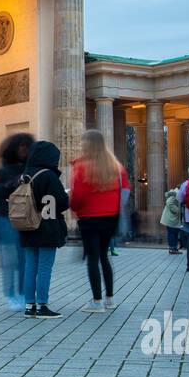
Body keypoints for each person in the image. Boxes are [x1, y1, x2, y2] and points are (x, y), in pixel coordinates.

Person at [70, 129, 123, 312]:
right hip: (111, 217)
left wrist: (74, 208)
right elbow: (125, 191)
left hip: (89, 218)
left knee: (92, 259)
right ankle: (110, 298)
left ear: (87, 144)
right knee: (104, 256)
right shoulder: (115, 166)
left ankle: (97, 301)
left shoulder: (82, 166)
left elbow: (78, 196)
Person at [17, 141, 69, 318]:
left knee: (30, 266)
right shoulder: (48, 176)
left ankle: (29, 306)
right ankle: (42, 306)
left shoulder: (24, 175)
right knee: (45, 267)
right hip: (46, 226)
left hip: (26, 226)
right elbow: (60, 203)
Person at [0, 133, 33, 309]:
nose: (23, 149)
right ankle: (10, 293)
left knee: (25, 257)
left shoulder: (31, 169)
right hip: (6, 216)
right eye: (20, 146)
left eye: (26, 146)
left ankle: (24, 292)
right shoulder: (3, 171)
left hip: (27, 216)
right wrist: (10, 185)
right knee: (10, 259)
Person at [160, 188, 184, 254]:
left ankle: (174, 248)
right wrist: (178, 211)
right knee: (172, 233)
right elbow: (169, 203)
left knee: (174, 233)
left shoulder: (176, 193)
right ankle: (172, 249)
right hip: (171, 218)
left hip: (173, 218)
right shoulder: (176, 193)